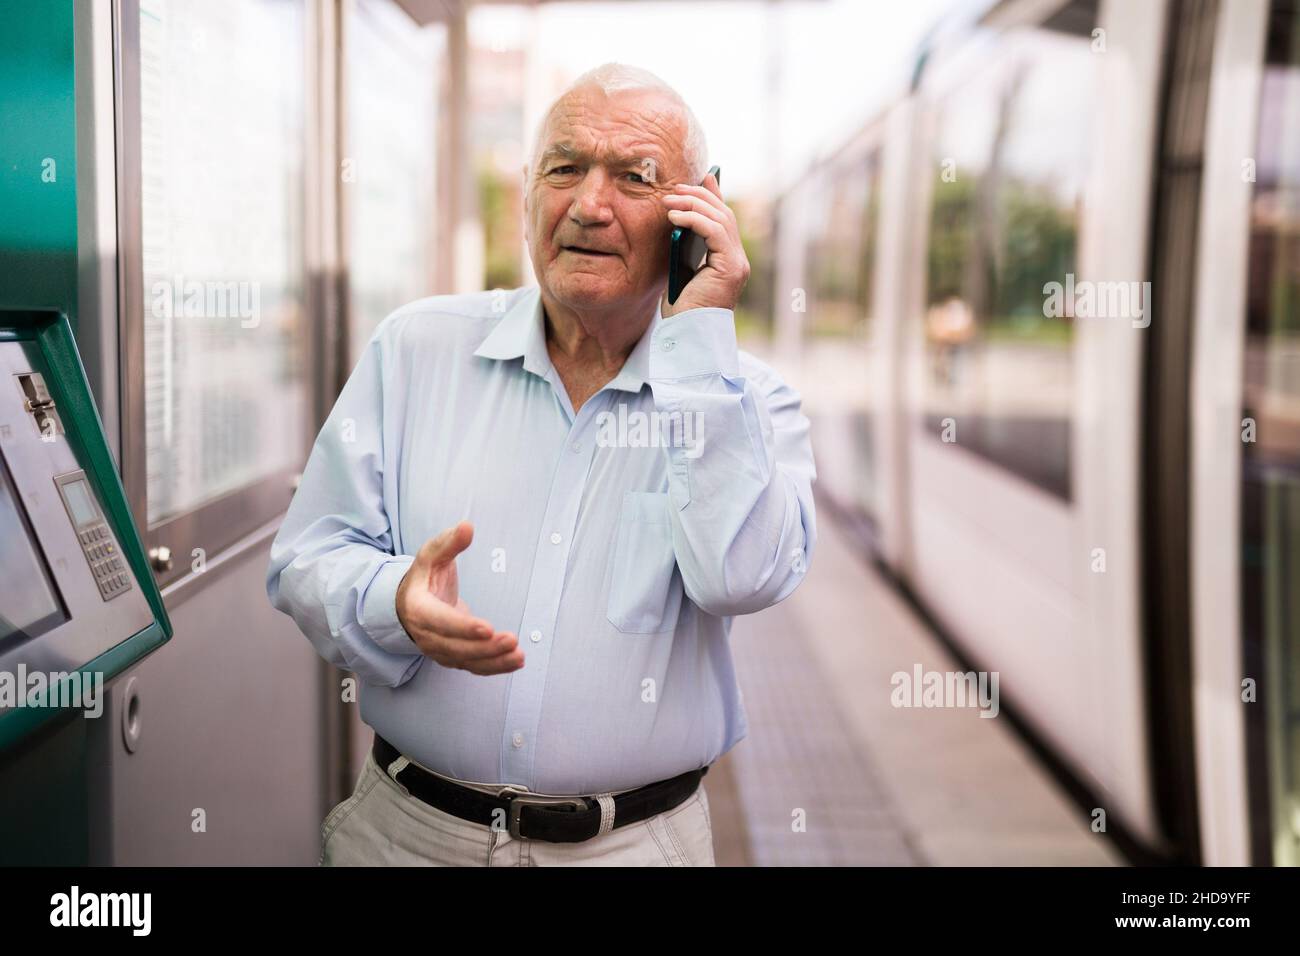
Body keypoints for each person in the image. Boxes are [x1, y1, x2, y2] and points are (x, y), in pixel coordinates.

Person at [266, 62, 817, 866]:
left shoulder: (750, 403)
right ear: (528, 190)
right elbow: (304, 560)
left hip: (633, 848)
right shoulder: (417, 348)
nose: (588, 205)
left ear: (698, 209)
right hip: (406, 834)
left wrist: (700, 347)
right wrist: (395, 602)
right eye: (564, 169)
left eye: (635, 176)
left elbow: (739, 578)